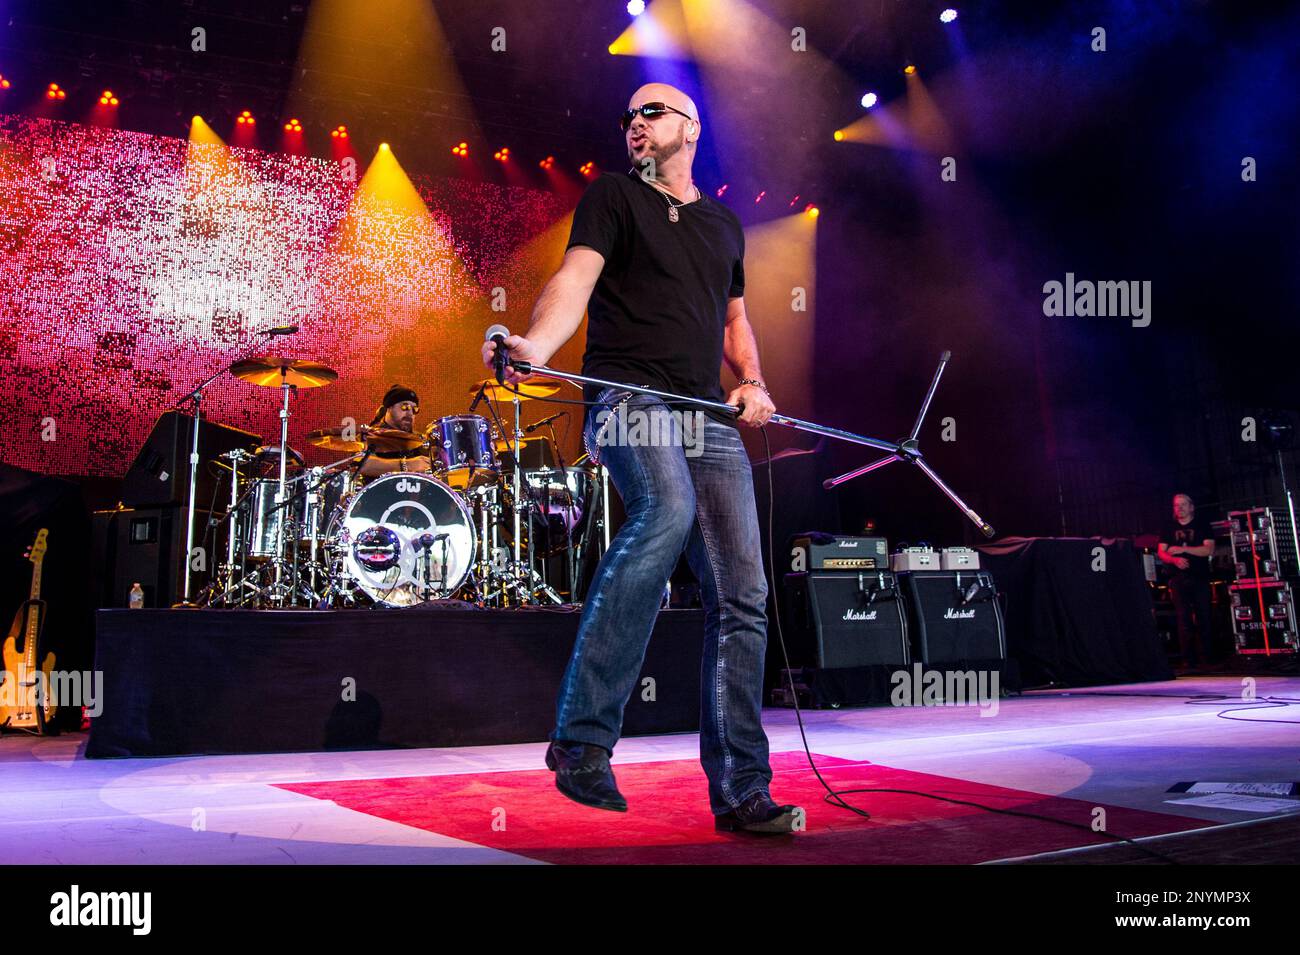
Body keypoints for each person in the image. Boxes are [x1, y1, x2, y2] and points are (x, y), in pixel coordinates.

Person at [483, 83, 801, 834]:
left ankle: (742, 789)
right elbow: (574, 281)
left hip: (704, 412)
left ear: (690, 128)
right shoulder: (613, 199)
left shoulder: (725, 225)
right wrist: (537, 346)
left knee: (745, 592)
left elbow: (734, 321)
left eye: (650, 112)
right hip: (627, 397)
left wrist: (751, 381)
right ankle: (584, 741)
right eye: (627, 115)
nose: (633, 122)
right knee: (667, 510)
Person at [1157, 493, 1216, 670]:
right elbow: (1161, 552)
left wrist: (1184, 550)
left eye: (1183, 505)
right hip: (1178, 579)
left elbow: (1208, 550)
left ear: (1191, 507)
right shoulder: (1168, 527)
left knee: (1204, 616)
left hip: (1199, 576)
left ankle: (1208, 657)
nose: (1179, 508)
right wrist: (1174, 559)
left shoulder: (1202, 525)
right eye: (1176, 505)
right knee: (1183, 619)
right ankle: (1188, 659)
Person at [358, 385, 433, 478]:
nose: (410, 413)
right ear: (389, 408)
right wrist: (407, 465)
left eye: (415, 409)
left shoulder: (421, 440)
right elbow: (363, 466)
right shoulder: (370, 435)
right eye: (405, 407)